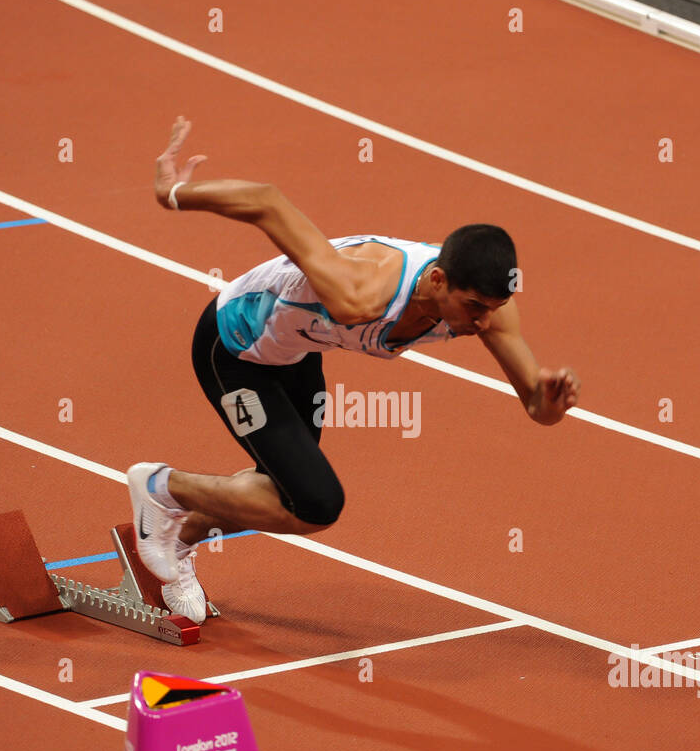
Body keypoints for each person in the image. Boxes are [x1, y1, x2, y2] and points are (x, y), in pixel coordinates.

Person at [130, 116, 580, 622]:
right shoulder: (359, 290)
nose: (484, 321)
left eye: (494, 307)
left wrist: (551, 402)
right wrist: (172, 195)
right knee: (315, 504)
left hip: (297, 354)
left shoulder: (491, 314)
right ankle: (160, 488)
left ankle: (181, 538)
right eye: (474, 306)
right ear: (436, 279)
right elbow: (266, 200)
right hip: (233, 348)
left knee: (281, 493)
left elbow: (537, 409)